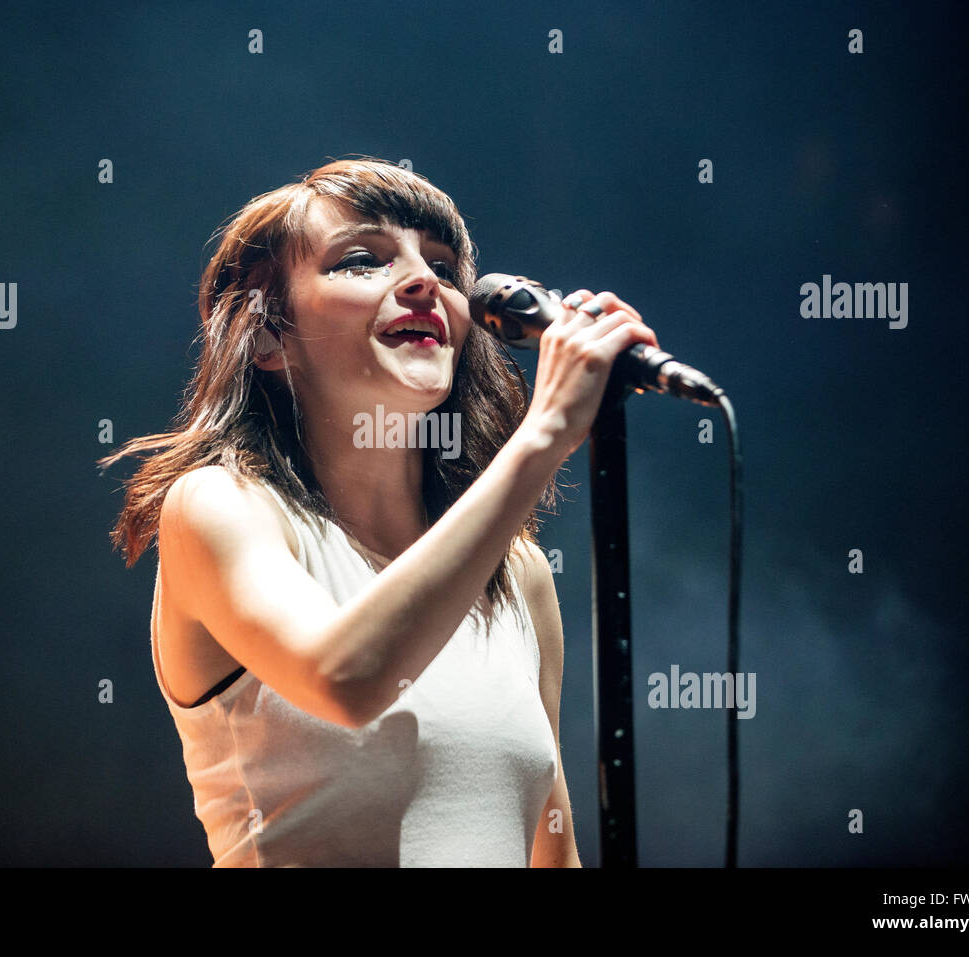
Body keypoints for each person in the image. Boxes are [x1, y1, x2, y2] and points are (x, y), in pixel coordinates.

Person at [98, 157, 660, 867]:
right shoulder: (220, 506)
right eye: (361, 260)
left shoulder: (517, 574)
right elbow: (347, 678)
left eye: (445, 267)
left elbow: (553, 852)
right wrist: (545, 432)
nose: (424, 282)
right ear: (269, 334)